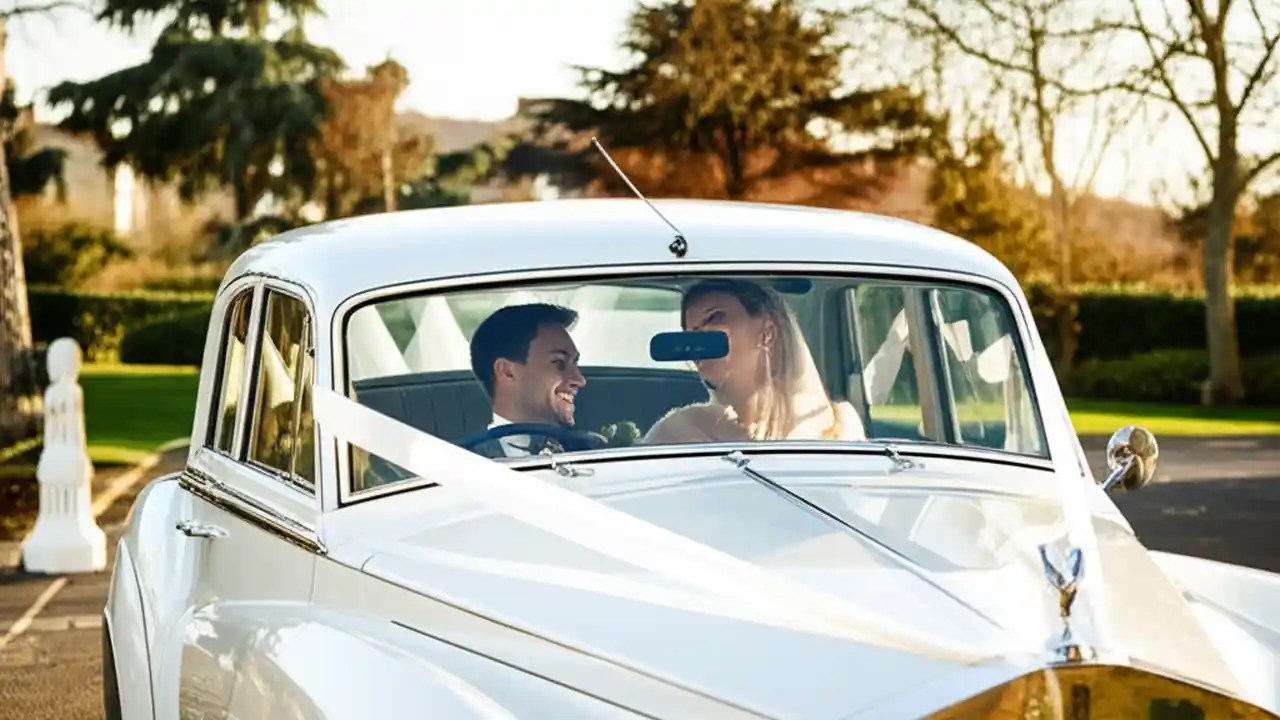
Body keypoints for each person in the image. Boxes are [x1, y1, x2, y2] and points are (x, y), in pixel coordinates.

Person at [645, 278, 867, 445]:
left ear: (767, 333)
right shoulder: (677, 432)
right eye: (691, 331)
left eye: (715, 317)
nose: (699, 339)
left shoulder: (838, 427)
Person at [468, 303, 587, 457]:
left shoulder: (595, 450)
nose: (580, 379)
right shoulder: (460, 469)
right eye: (559, 362)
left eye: (575, 363)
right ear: (507, 371)